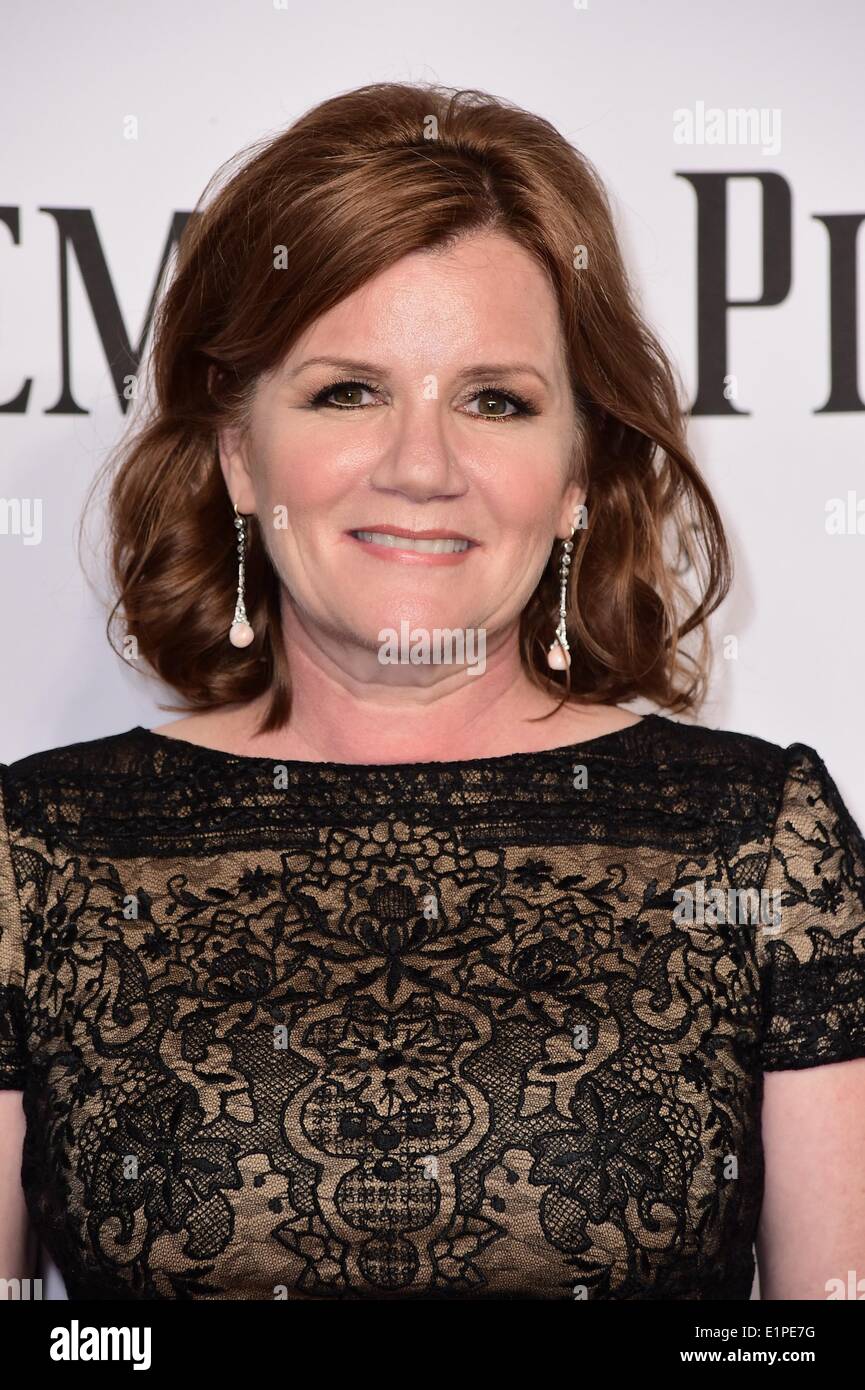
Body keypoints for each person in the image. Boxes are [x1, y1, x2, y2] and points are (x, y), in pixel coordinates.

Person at [1, 80, 863, 1302]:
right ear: (240, 454)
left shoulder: (761, 841)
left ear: (577, 476)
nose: (420, 466)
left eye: (494, 400)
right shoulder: (35, 854)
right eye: (346, 390)